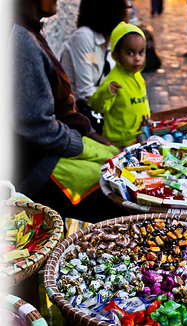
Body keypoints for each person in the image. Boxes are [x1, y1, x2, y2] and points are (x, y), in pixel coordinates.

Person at [11, 0, 127, 222]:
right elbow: (38, 126)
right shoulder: (21, 39)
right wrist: (81, 144)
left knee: (116, 158)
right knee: (112, 182)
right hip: (38, 164)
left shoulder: (30, 31)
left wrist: (89, 136)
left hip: (60, 138)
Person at [60, 0, 129, 134]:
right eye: (127, 8)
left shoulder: (110, 40)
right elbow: (85, 92)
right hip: (79, 119)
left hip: (99, 111)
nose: (129, 14)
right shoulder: (84, 37)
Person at [90, 22, 150, 148]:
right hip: (120, 143)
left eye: (141, 52)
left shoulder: (137, 75)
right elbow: (96, 106)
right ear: (116, 56)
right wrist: (106, 92)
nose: (137, 58)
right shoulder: (113, 81)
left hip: (140, 137)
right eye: (130, 53)